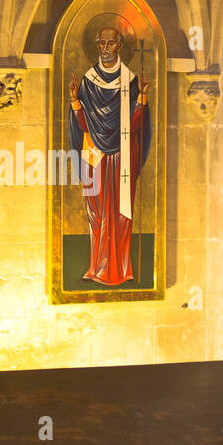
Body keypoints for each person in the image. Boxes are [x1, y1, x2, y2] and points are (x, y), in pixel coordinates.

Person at [68, 25, 151, 285]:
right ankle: (97, 268)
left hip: (122, 157)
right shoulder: (87, 82)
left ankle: (123, 269)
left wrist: (143, 97)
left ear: (120, 46)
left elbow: (137, 124)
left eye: (110, 44)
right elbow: (82, 125)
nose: (105, 49)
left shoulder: (131, 82)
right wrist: (74, 102)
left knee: (120, 213)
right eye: (101, 44)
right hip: (95, 157)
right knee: (97, 212)